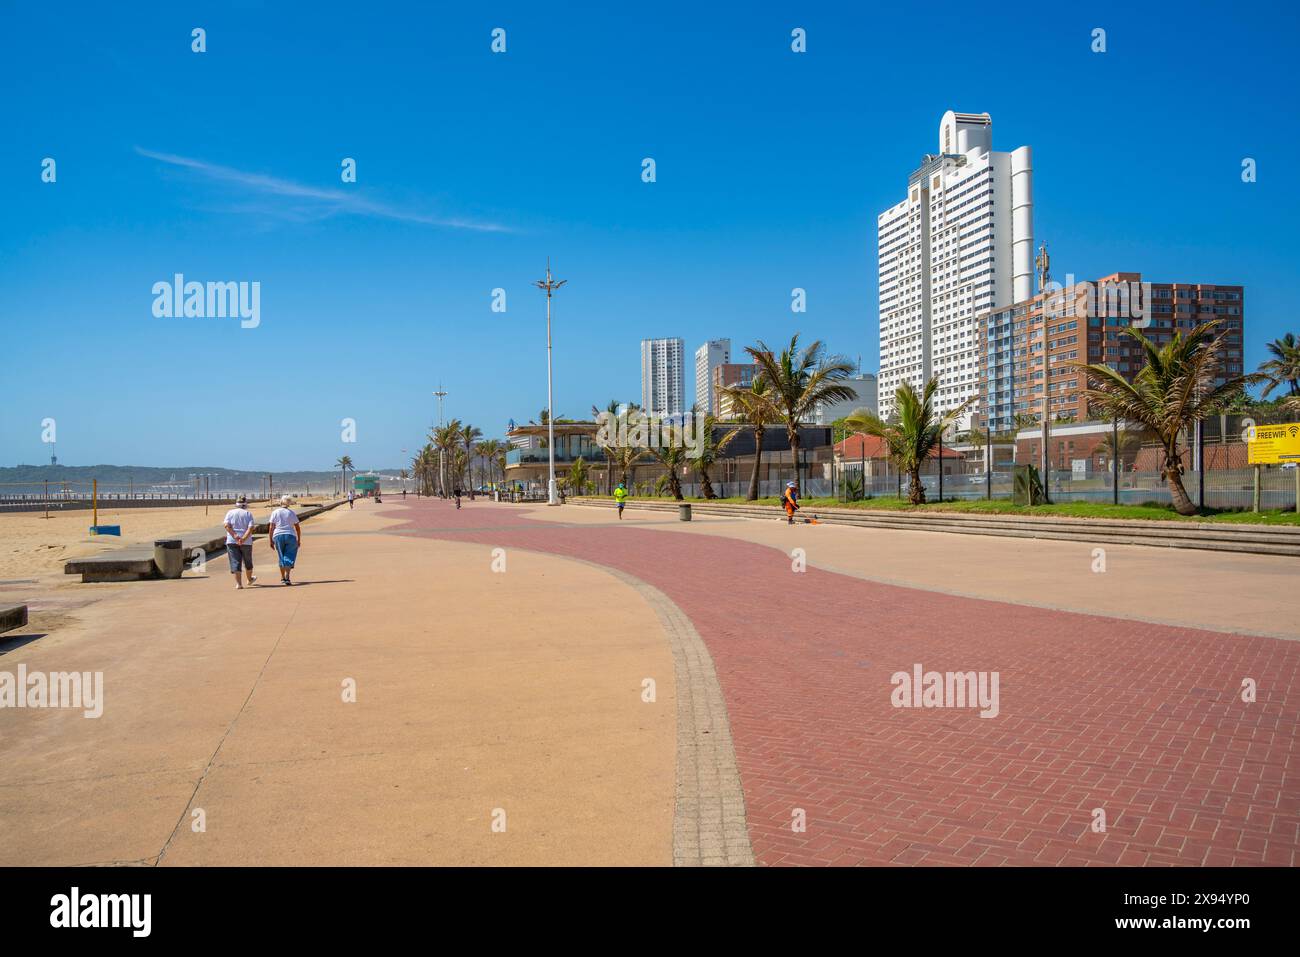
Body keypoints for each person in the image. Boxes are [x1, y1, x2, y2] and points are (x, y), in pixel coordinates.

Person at [223, 494, 257, 589]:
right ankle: (249, 579)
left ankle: (239, 584)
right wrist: (243, 539)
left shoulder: (230, 513)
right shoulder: (248, 514)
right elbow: (250, 528)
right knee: (248, 561)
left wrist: (235, 536)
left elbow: (226, 526)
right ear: (245, 505)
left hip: (231, 541)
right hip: (246, 542)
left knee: (235, 561)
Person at [268, 494, 302, 585]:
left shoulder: (275, 512)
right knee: (289, 556)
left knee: (281, 556)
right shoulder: (291, 513)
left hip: (278, 536)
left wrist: (270, 540)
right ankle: (287, 576)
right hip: (290, 536)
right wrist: (298, 540)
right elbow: (297, 527)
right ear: (289, 503)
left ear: (281, 502)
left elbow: (271, 527)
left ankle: (283, 578)